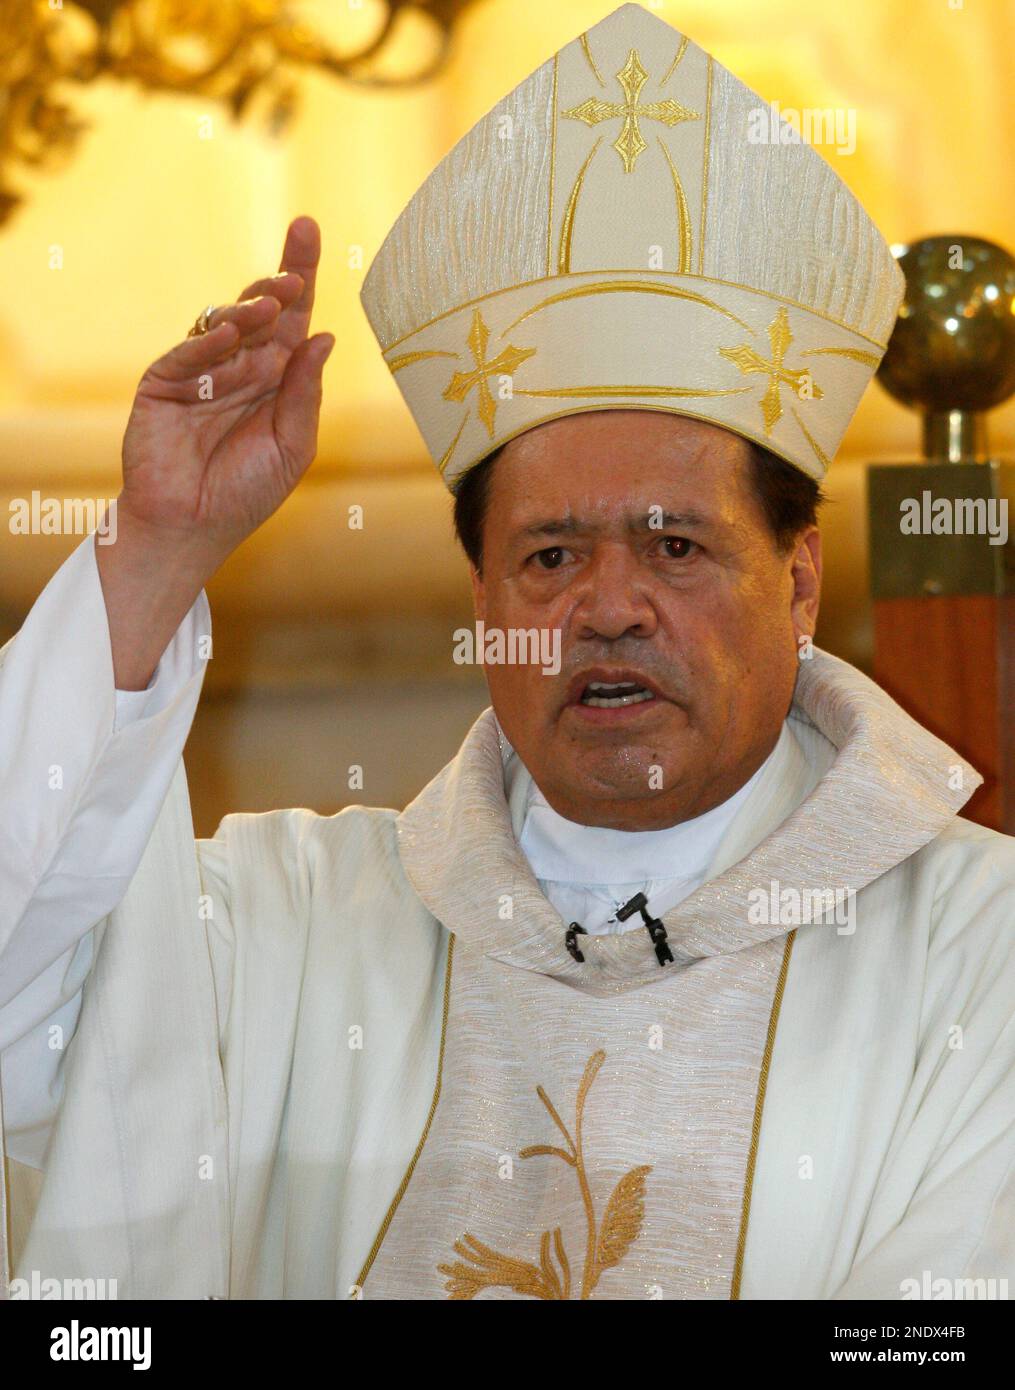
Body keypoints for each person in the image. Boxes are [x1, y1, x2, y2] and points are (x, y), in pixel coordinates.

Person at [1, 3, 1012, 1301]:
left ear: (799, 579)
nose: (608, 605)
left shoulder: (980, 952)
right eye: (548, 556)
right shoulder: (292, 929)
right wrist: (151, 555)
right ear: (482, 593)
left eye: (677, 548)